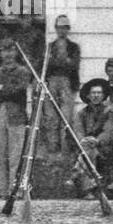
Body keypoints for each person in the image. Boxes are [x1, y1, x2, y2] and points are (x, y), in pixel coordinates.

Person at [0, 38, 31, 198]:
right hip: (0, 114)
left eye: (11, 50)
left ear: (16, 52)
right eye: (4, 51)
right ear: (0, 53)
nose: (8, 54)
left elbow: (19, 90)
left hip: (17, 114)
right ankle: (3, 191)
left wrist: (2, 89)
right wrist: (5, 90)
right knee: (1, 155)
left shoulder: (23, 71)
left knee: (15, 155)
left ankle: (16, 190)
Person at [42, 14, 81, 151]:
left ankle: (65, 149)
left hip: (67, 82)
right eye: (59, 27)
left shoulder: (74, 47)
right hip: (51, 82)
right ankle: (53, 148)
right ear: (55, 28)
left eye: (65, 27)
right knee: (51, 116)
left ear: (68, 29)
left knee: (66, 116)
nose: (62, 30)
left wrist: (58, 61)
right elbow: (47, 65)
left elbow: (73, 65)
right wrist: (63, 61)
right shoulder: (50, 47)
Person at [71, 81, 113, 196]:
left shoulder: (109, 112)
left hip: (103, 148)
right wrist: (83, 140)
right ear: (88, 96)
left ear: (103, 95)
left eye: (99, 93)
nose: (96, 96)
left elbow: (108, 131)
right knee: (89, 151)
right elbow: (78, 130)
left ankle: (76, 173)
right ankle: (88, 188)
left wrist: (97, 140)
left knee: (90, 150)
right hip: (86, 146)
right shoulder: (82, 113)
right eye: (93, 93)